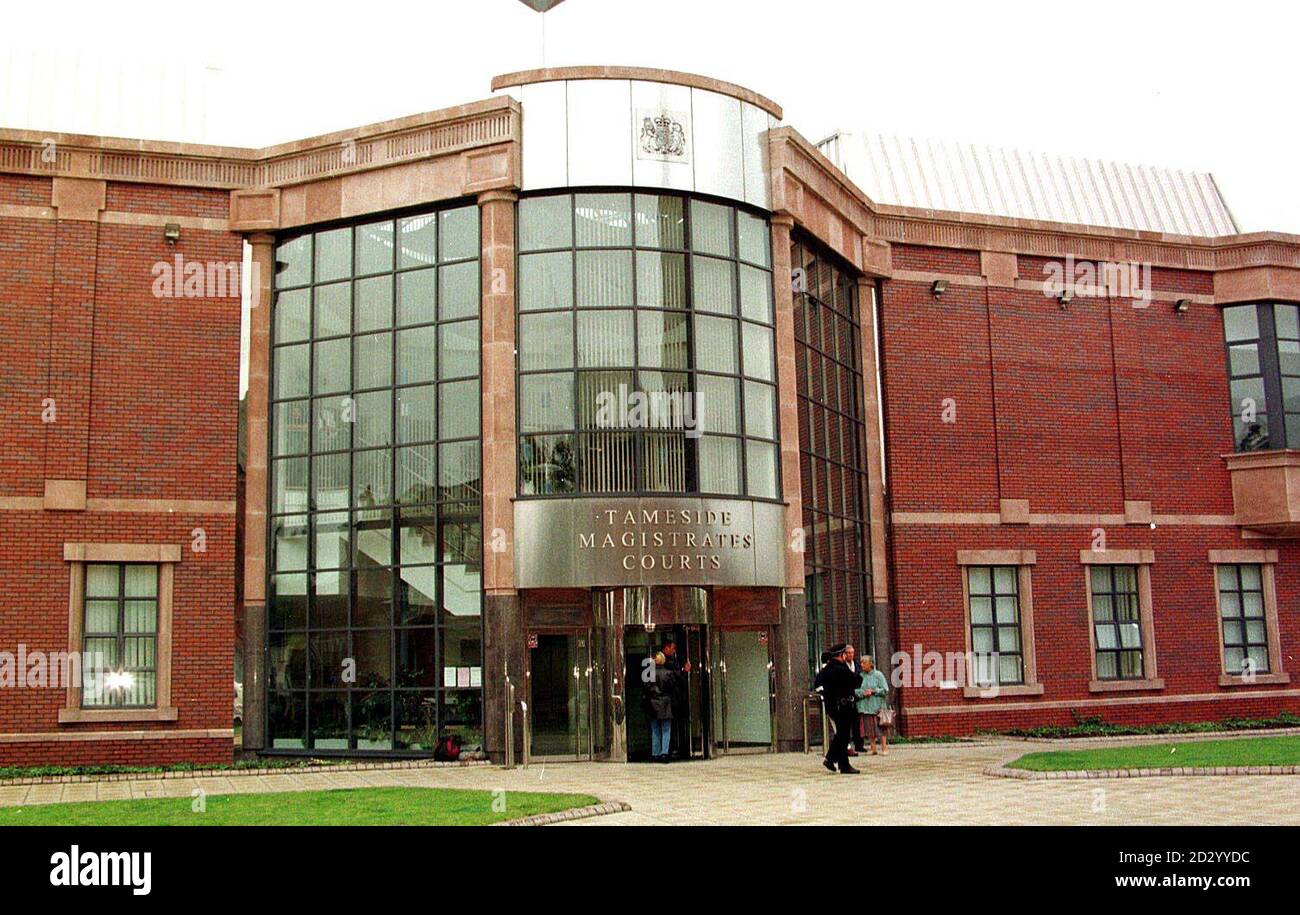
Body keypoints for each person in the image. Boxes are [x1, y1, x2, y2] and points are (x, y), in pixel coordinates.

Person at [819, 643, 862, 775]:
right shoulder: (841, 668)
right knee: (843, 735)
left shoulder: (826, 669)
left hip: (833, 706)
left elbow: (819, 683)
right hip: (843, 706)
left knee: (841, 734)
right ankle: (842, 764)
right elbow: (857, 681)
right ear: (842, 654)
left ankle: (832, 759)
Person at [855, 654, 890, 755]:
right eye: (861, 663)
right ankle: (873, 748)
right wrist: (862, 693)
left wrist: (874, 691)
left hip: (877, 706)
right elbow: (856, 690)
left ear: (871, 664)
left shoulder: (878, 675)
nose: (862, 665)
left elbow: (885, 689)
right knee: (869, 728)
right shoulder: (860, 676)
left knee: (880, 728)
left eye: (864, 663)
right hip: (865, 706)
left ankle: (884, 748)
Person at [661, 639, 691, 759]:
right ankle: (668, 750)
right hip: (670, 700)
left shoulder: (657, 666)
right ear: (666, 648)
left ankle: (660, 752)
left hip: (667, 700)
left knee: (659, 728)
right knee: (668, 727)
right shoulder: (668, 664)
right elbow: (676, 679)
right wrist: (684, 671)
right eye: (672, 648)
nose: (674, 651)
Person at [644, 652, 676, 763]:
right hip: (665, 703)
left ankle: (655, 753)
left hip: (654, 703)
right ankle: (664, 753)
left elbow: (647, 688)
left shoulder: (650, 674)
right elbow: (672, 688)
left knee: (655, 729)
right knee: (666, 729)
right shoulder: (668, 673)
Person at [843, 644, 862, 755]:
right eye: (849, 653)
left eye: (852, 653)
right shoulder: (842, 665)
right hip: (846, 696)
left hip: (855, 695)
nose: (851, 655)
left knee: (856, 721)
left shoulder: (856, 664)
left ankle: (858, 744)